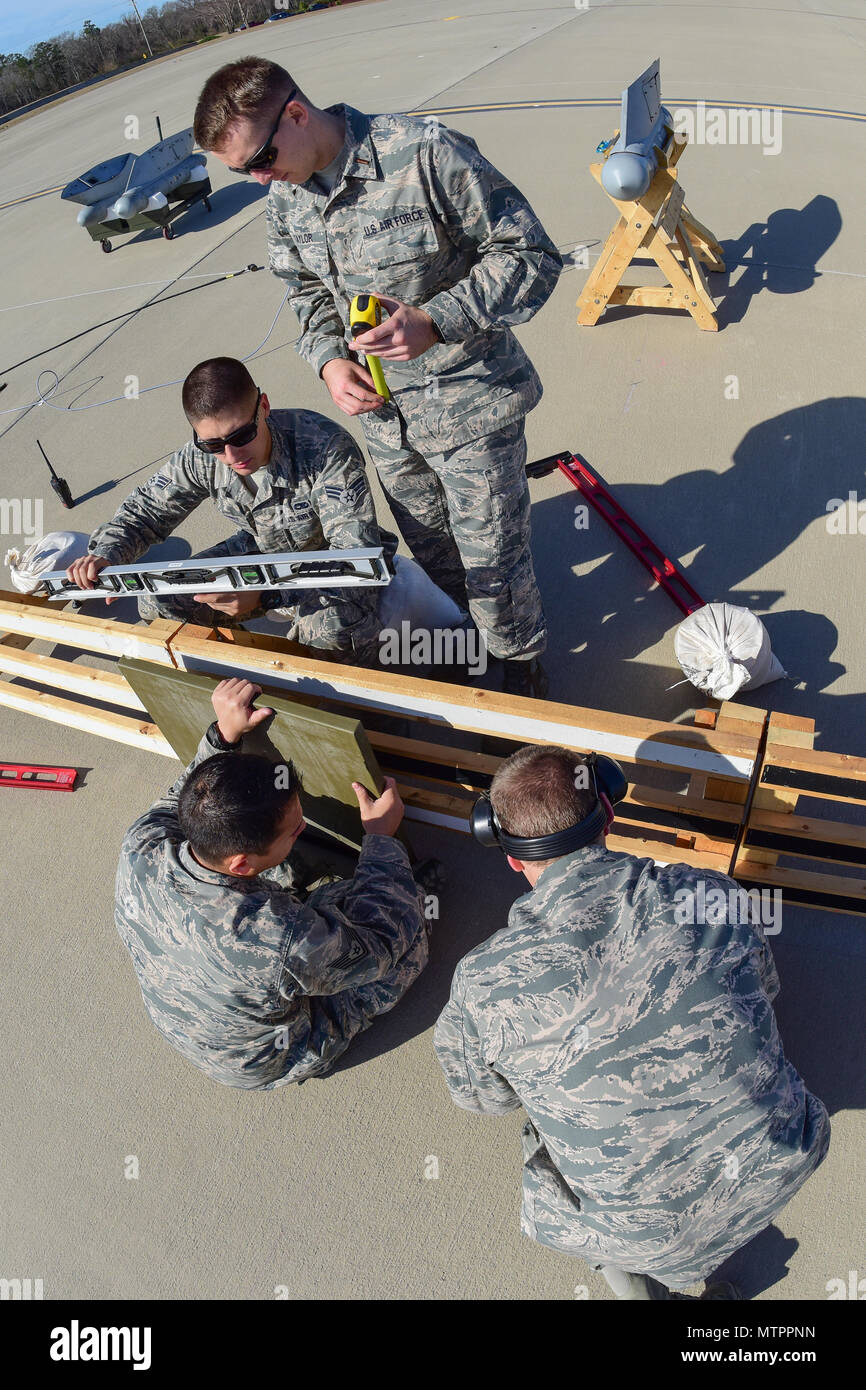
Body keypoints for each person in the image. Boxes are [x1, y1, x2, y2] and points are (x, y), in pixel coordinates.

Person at [192, 57, 563, 696]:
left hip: (471, 404)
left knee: (493, 561)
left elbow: (532, 257)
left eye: (258, 159)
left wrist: (438, 320)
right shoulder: (287, 197)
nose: (257, 180)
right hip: (387, 426)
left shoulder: (422, 154)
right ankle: (470, 646)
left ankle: (522, 672)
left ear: (297, 115)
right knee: (439, 554)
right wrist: (330, 361)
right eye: (241, 171)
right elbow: (304, 291)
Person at [433, 743, 830, 1300]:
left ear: (511, 856)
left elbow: (482, 1098)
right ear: (610, 811)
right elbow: (765, 989)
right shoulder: (709, 894)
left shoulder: (482, 983)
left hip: (642, 1235)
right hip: (782, 1159)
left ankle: (636, 1288)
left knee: (533, 1131)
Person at [115, 677, 429, 1088]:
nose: (301, 830)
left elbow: (187, 792)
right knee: (411, 926)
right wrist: (381, 842)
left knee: (316, 902)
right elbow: (383, 945)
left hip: (195, 1021)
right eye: (294, 831)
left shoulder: (141, 847)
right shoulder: (279, 938)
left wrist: (222, 736)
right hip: (267, 1056)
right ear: (242, 864)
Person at [66, 357, 402, 668]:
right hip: (264, 552)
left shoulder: (324, 447)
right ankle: (235, 694)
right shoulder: (199, 457)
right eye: (213, 445)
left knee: (331, 628)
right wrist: (107, 554)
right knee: (159, 602)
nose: (231, 454)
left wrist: (266, 593)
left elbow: (355, 560)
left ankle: (368, 710)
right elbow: (145, 512)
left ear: (264, 406)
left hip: (332, 564)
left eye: (242, 435)